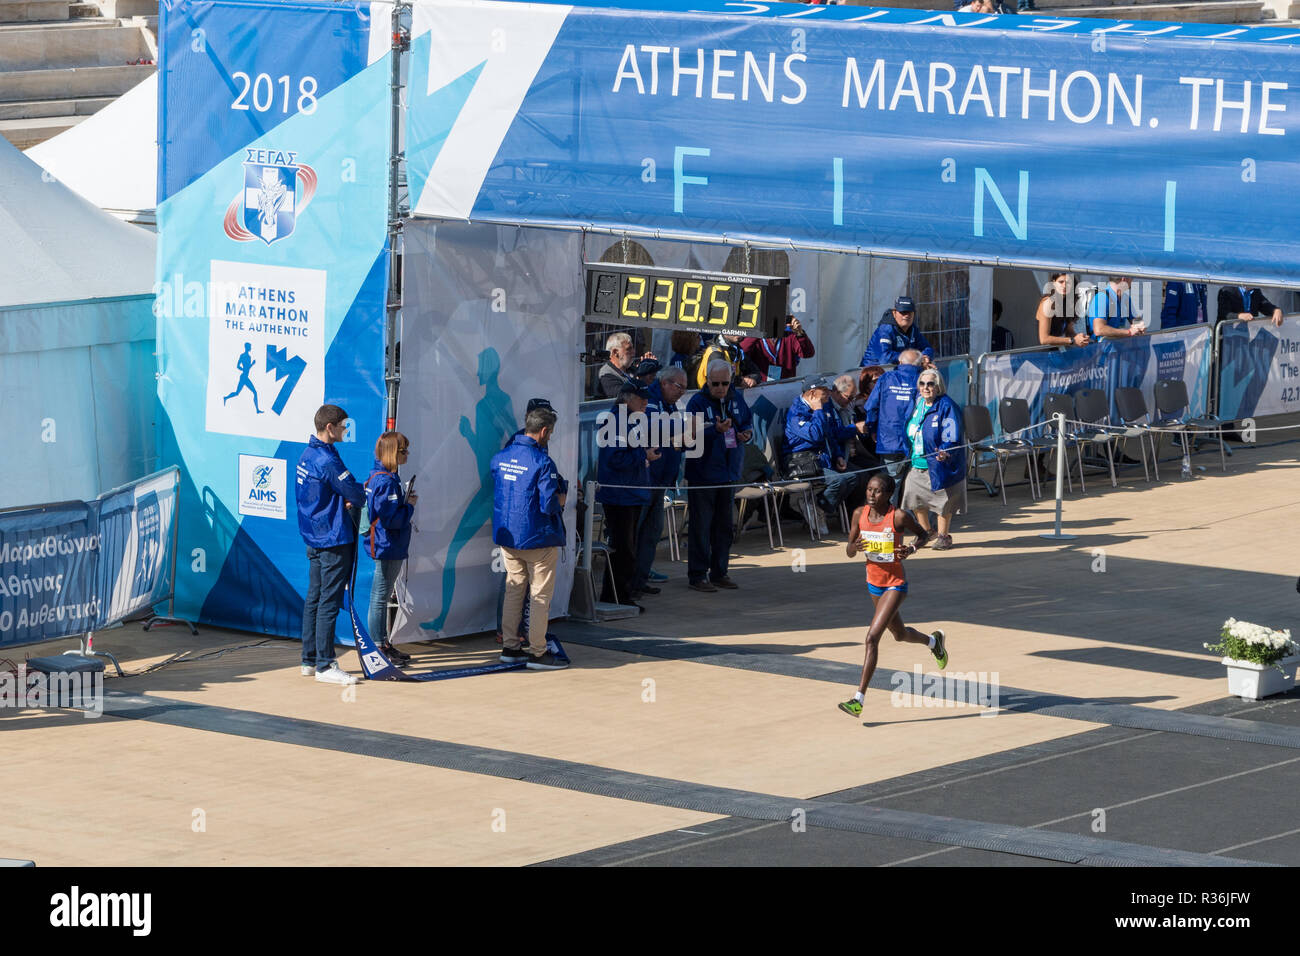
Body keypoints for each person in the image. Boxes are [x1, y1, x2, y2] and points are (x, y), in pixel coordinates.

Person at [838, 472, 948, 718]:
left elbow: (924, 535)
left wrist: (910, 549)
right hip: (873, 584)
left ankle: (858, 699)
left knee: (871, 638)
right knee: (899, 634)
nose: (871, 495)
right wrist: (853, 547)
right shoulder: (859, 514)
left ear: (888, 494)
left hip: (895, 584)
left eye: (877, 491)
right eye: (869, 490)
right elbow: (848, 550)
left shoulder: (898, 516)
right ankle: (934, 642)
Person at [490, 404, 569, 669]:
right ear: (544, 431)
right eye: (551, 433)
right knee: (539, 595)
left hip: (508, 535)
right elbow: (549, 504)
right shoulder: (543, 462)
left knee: (514, 589)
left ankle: (510, 646)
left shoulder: (501, 456)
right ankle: (538, 651)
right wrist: (563, 498)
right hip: (537, 537)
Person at [296, 403, 366, 685]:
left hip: (314, 536)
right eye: (343, 426)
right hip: (332, 538)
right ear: (330, 428)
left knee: (314, 598)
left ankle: (309, 660)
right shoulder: (326, 460)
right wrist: (351, 496)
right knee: (327, 600)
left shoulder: (309, 454)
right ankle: (326, 665)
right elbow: (356, 495)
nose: (346, 431)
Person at [683, 360, 752, 591]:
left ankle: (720, 571)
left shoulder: (735, 398)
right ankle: (697, 575)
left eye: (725, 383)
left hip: (728, 472)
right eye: (716, 384)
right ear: (707, 381)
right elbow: (690, 435)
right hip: (703, 474)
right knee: (701, 526)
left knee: (724, 526)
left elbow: (746, 421)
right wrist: (715, 430)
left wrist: (746, 433)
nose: (721, 388)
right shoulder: (697, 403)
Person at [596, 383, 658, 609]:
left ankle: (619, 595)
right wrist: (644, 456)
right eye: (641, 397)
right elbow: (615, 459)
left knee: (626, 549)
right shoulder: (616, 421)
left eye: (646, 398)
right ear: (627, 398)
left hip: (630, 493)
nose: (645, 402)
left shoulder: (629, 420)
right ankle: (617, 596)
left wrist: (644, 455)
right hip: (620, 495)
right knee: (623, 549)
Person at [632, 366, 689, 597]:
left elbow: (673, 435)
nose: (682, 392)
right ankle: (628, 583)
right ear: (665, 383)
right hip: (645, 480)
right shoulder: (651, 399)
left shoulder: (670, 403)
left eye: (685, 388)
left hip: (661, 480)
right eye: (679, 387)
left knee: (652, 533)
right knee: (636, 533)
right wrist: (685, 429)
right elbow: (655, 428)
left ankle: (640, 579)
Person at [364, 431, 417, 664]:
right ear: (392, 453)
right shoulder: (385, 481)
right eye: (403, 450)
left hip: (389, 544)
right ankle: (377, 646)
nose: (407, 454)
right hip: (387, 545)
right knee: (379, 597)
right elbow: (391, 520)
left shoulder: (385, 477)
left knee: (381, 596)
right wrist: (409, 507)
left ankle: (383, 643)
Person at [785, 376, 861, 535]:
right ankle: (815, 507)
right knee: (838, 481)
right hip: (802, 461)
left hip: (822, 458)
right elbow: (815, 435)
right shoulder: (796, 412)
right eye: (824, 391)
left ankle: (818, 507)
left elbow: (829, 436)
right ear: (812, 393)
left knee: (853, 477)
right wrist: (818, 410)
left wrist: (838, 455)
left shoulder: (822, 406)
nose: (828, 394)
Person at [901, 368, 967, 550]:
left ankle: (943, 536)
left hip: (940, 463)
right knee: (914, 497)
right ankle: (926, 532)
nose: (925, 387)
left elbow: (951, 434)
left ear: (938, 387)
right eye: (922, 384)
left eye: (930, 384)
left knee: (942, 502)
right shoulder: (918, 403)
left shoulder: (947, 405)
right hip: (918, 461)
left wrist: (945, 451)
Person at [861, 349, 923, 507]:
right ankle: (913, 520)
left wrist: (872, 429)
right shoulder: (923, 379)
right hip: (917, 441)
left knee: (889, 483)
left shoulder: (886, 378)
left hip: (889, 439)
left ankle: (887, 521)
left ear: (900, 362)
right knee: (916, 482)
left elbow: (871, 407)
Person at [861, 296, 936, 367]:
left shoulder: (913, 329)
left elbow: (927, 348)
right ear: (894, 313)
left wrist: (926, 357)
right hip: (874, 372)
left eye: (910, 312)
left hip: (897, 371)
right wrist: (913, 358)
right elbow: (885, 358)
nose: (906, 316)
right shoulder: (886, 329)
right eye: (903, 312)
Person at [739, 315, 816, 382]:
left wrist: (800, 333)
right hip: (760, 385)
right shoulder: (756, 338)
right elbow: (742, 351)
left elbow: (808, 353)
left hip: (785, 385)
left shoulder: (790, 336)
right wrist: (758, 331)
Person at [1038, 273, 1090, 347]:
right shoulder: (1048, 303)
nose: (1064, 286)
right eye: (1061, 282)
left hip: (1058, 351)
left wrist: (1081, 338)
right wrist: (1073, 340)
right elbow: (1044, 339)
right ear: (1053, 283)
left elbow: (1069, 332)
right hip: (1040, 353)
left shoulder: (1068, 303)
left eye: (1068, 283)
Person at [598, 331, 655, 398]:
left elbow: (652, 388)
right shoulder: (606, 374)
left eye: (633, 348)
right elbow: (623, 398)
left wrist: (651, 372)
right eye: (628, 349)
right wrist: (641, 377)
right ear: (615, 352)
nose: (633, 352)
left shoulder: (631, 369)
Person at [694, 333, 761, 389]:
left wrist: (751, 379)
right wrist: (741, 381)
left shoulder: (736, 349)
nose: (739, 332)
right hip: (708, 398)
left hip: (727, 394)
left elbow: (756, 372)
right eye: (734, 328)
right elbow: (721, 379)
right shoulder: (715, 352)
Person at [1216, 285, 1284, 327]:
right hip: (1227, 337)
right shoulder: (1227, 291)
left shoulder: (1256, 291)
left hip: (1247, 335)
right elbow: (1223, 313)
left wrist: (1276, 310)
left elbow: (1264, 305)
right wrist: (1239, 316)